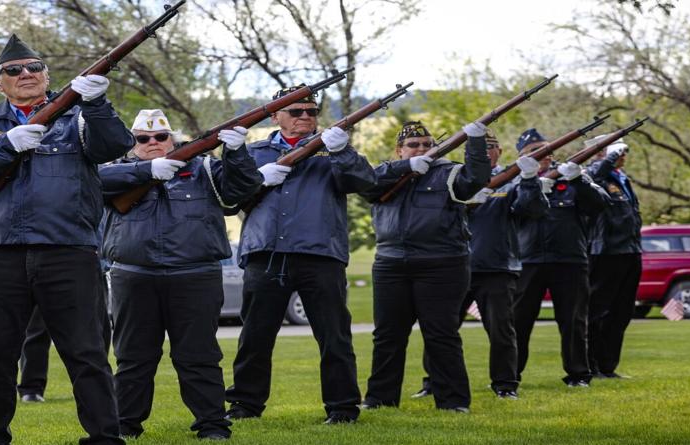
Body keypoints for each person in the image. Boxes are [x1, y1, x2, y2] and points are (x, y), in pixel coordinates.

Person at [0, 34, 131, 445]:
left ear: (47, 76)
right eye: (14, 70)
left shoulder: (78, 116)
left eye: (34, 68)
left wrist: (97, 104)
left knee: (86, 352)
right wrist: (4, 147)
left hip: (70, 249)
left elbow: (115, 146)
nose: (25, 75)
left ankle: (104, 443)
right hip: (5, 252)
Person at [99, 109, 260, 441]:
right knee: (133, 355)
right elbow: (91, 182)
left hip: (195, 274)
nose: (153, 143)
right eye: (143, 139)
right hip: (134, 274)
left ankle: (212, 424)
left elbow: (241, 190)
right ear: (133, 142)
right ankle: (125, 423)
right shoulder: (116, 170)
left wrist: (236, 152)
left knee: (198, 354)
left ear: (172, 139)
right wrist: (146, 172)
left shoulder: (202, 167)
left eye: (161, 137)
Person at [224, 85, 375, 425]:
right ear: (275, 116)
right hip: (266, 252)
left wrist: (344, 152)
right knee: (255, 337)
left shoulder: (331, 150)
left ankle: (342, 408)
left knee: (334, 336)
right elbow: (229, 200)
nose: (305, 117)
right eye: (296, 112)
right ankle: (245, 404)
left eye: (311, 111)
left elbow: (366, 182)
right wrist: (250, 174)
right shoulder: (256, 153)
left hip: (320, 253)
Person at [359, 120, 490, 412]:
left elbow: (476, 179)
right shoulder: (386, 174)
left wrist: (477, 143)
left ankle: (453, 401)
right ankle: (380, 398)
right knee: (387, 335)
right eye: (414, 145)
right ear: (399, 150)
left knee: (440, 333)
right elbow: (364, 181)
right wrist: (404, 168)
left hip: (441, 262)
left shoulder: (449, 172)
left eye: (427, 145)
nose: (421, 149)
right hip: (391, 261)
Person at [447, 130, 547, 399]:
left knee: (502, 331)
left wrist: (529, 180)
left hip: (497, 267)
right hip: (457, 265)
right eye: (481, 147)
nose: (487, 152)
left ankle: (505, 384)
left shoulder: (511, 183)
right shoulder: (456, 181)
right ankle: (434, 381)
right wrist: (463, 203)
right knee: (443, 330)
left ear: (500, 151)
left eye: (492, 147)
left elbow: (532, 211)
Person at [507, 128, 605, 388]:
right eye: (534, 152)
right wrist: (530, 184)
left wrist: (579, 181)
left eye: (546, 150)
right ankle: (509, 375)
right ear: (522, 157)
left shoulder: (573, 174)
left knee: (574, 321)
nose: (542, 156)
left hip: (569, 259)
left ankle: (578, 375)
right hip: (527, 259)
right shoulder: (514, 181)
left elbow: (600, 204)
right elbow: (517, 210)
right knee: (518, 321)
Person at [585, 138, 642, 379]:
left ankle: (608, 366)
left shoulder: (621, 178)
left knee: (621, 313)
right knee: (598, 311)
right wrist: (607, 157)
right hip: (605, 252)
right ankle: (591, 365)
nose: (623, 155)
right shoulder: (592, 174)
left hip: (629, 251)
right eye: (617, 151)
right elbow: (592, 176)